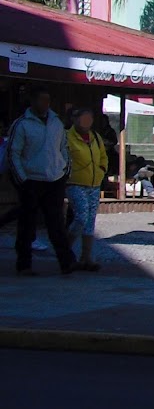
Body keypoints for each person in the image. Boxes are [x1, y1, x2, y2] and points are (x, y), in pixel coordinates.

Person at [9, 88, 76, 276]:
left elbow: (63, 148)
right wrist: (22, 178)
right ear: (33, 101)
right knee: (27, 224)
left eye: (47, 100)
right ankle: (24, 264)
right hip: (31, 179)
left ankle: (66, 262)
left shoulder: (56, 123)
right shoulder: (22, 124)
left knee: (56, 223)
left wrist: (64, 171)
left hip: (54, 179)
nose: (45, 104)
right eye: (41, 100)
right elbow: (14, 152)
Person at [65, 106, 109, 272]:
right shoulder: (67, 137)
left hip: (94, 183)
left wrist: (102, 170)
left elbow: (103, 156)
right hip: (75, 182)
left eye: (89, 119)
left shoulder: (95, 137)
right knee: (81, 217)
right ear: (75, 120)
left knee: (90, 220)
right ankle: (66, 250)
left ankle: (86, 257)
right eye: (83, 119)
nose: (86, 122)